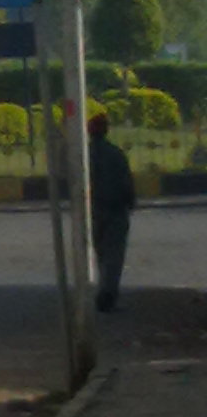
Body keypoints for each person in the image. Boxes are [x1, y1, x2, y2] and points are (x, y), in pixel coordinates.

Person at [87, 109, 136, 313]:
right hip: (116, 209)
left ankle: (104, 287)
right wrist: (130, 201)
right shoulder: (116, 154)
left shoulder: (84, 154)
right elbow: (126, 182)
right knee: (114, 253)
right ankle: (108, 291)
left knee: (100, 252)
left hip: (94, 209)